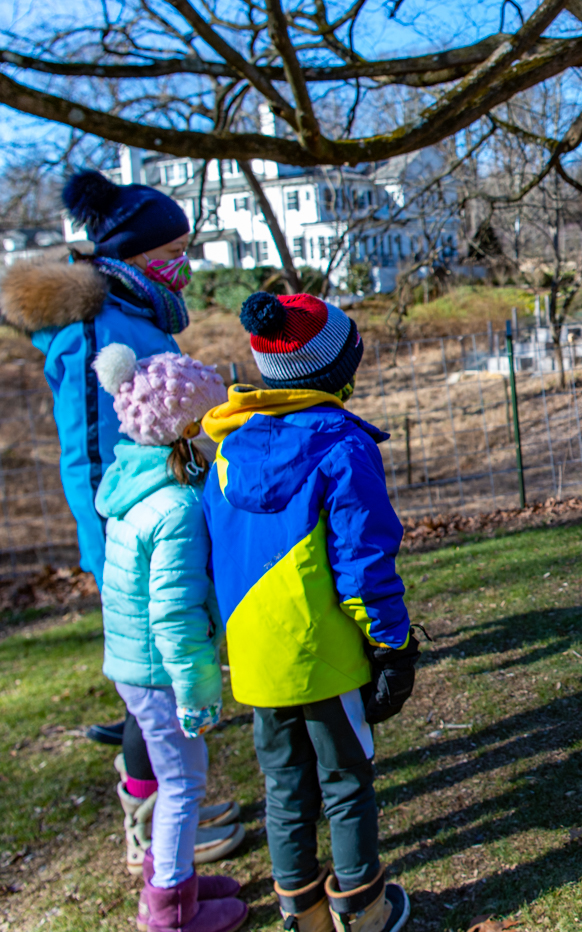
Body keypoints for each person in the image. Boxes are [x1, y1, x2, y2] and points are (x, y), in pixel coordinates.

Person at [0, 169, 239, 868]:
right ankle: (150, 822)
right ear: (134, 256)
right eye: (175, 251)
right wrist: (121, 533)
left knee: (162, 675)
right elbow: (92, 448)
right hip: (131, 525)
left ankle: (166, 803)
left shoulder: (140, 308)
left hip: (159, 508)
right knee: (153, 678)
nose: (185, 265)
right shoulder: (95, 324)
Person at [201, 292, 417, 932]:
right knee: (346, 781)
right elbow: (363, 561)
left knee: (284, 787)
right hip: (322, 655)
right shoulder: (342, 448)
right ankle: (365, 910)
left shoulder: (224, 452)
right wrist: (392, 645)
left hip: (256, 659)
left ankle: (305, 915)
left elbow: (217, 557)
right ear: (338, 373)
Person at [91, 343, 246, 932]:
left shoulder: (131, 489)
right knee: (183, 782)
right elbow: (174, 614)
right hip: (160, 670)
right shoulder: (175, 507)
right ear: (185, 431)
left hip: (131, 665)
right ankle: (170, 910)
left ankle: (174, 876)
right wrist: (198, 689)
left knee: (177, 773)